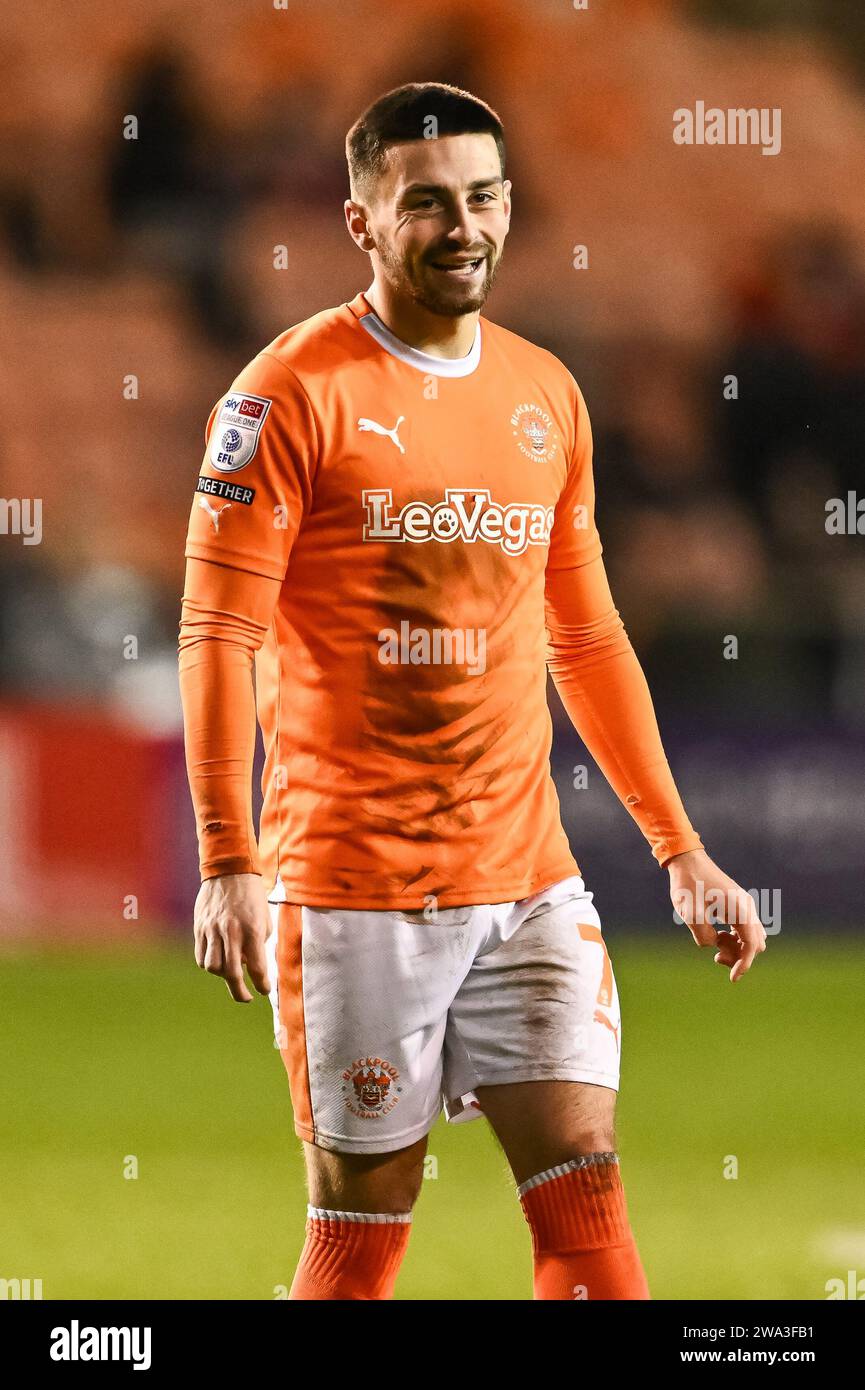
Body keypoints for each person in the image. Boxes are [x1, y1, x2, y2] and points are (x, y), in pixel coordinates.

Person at [178, 82, 766, 1301]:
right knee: (361, 1239)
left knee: (585, 1192)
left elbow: (587, 633)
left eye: (485, 197)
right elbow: (218, 628)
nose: (465, 226)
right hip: (353, 888)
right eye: (429, 202)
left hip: (526, 878)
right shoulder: (287, 394)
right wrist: (229, 857)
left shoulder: (546, 392)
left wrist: (680, 850)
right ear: (362, 222)